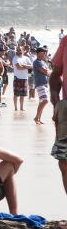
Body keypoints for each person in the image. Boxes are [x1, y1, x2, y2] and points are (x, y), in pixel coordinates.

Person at [51, 34, 67, 195]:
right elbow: (56, 74)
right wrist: (54, 92)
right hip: (66, 110)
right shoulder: (66, 41)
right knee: (64, 162)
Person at [32, 46, 52, 125]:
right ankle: (36, 117)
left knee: (42, 101)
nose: (44, 54)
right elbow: (44, 71)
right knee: (45, 100)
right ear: (37, 53)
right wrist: (54, 74)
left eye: (44, 53)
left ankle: (38, 118)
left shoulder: (43, 62)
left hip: (45, 84)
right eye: (42, 53)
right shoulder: (37, 62)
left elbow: (47, 71)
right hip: (40, 84)